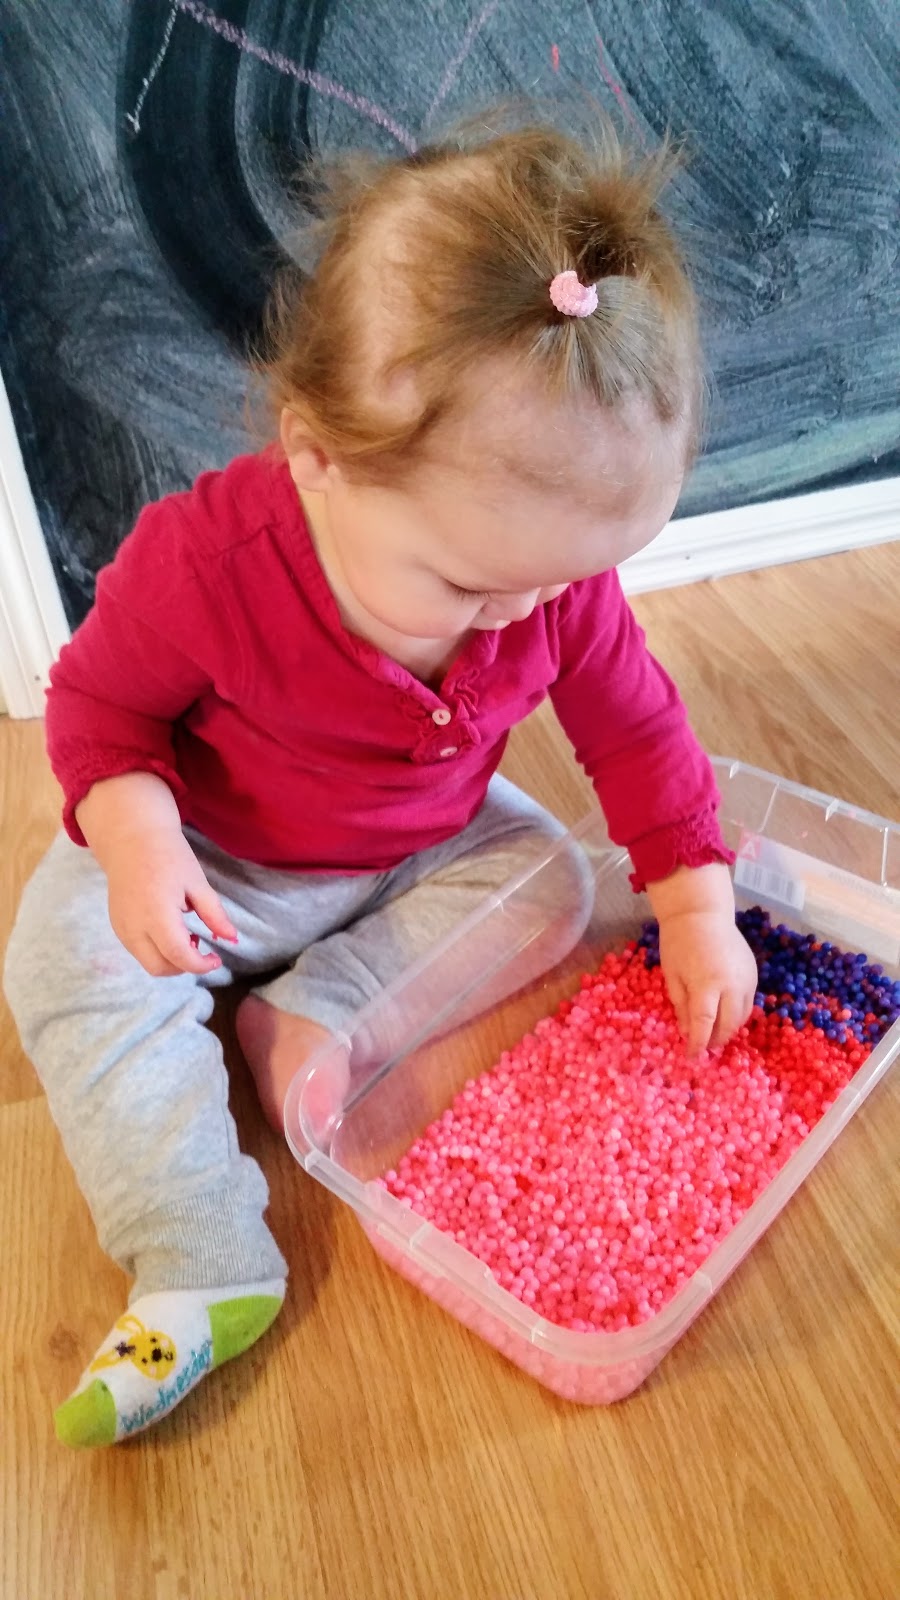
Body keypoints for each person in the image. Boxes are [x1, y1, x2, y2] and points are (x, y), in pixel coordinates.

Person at [4, 122, 757, 1447]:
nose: (517, 614)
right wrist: (134, 837)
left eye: (556, 581)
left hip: (421, 847)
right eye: (470, 585)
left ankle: (312, 1018)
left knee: (554, 881)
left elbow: (638, 736)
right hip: (215, 864)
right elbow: (100, 710)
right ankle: (200, 1258)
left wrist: (697, 907)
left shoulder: (548, 589)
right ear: (319, 456)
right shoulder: (211, 560)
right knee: (58, 955)